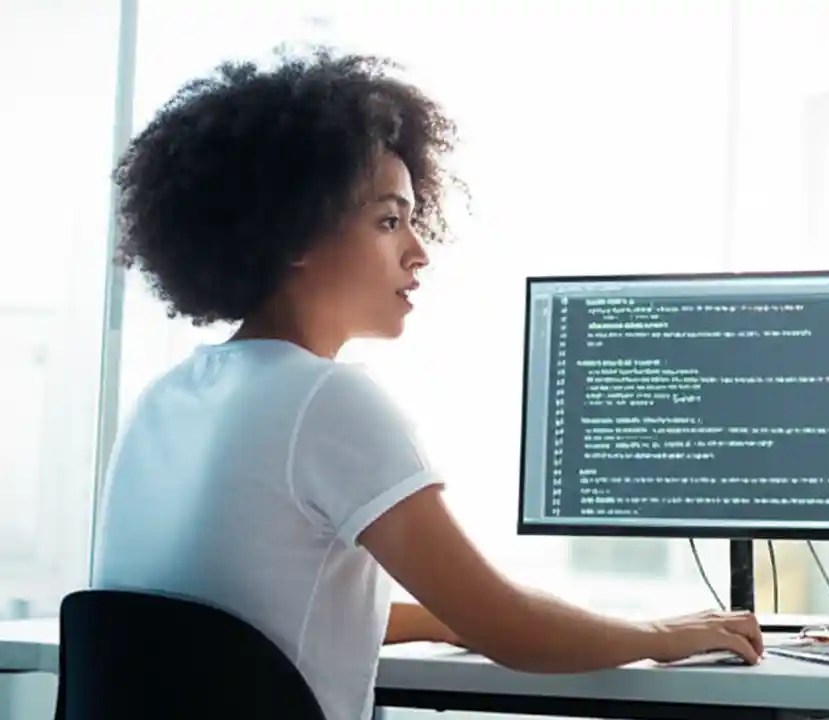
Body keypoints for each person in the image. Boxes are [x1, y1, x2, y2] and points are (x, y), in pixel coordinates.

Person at [91, 49, 763, 720]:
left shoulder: (165, 400)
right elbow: (509, 626)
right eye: (389, 221)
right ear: (294, 232)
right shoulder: (324, 399)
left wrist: (446, 619)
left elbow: (254, 620)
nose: (419, 249)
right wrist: (660, 637)